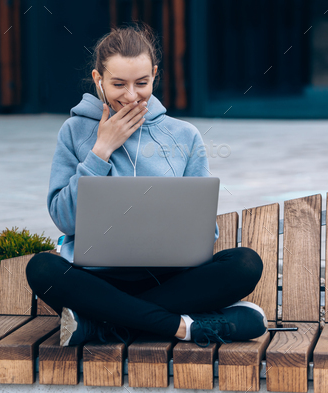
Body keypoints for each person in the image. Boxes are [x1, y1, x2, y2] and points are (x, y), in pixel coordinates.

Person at [25, 23, 267, 348]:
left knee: (245, 264)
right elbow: (66, 220)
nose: (130, 95)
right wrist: (101, 151)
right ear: (98, 79)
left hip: (170, 278)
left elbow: (205, 233)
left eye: (142, 83)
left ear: (154, 74)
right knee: (42, 268)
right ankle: (182, 327)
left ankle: (101, 324)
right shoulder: (73, 132)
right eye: (118, 84)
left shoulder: (184, 136)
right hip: (98, 280)